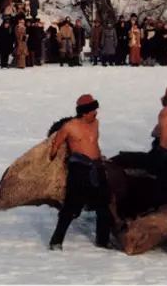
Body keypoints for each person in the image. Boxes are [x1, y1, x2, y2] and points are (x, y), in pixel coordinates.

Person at [48, 95, 113, 251]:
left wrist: (100, 158)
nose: (96, 113)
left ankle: (102, 241)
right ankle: (56, 241)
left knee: (104, 206)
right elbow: (54, 148)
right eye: (92, 111)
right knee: (71, 207)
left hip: (97, 168)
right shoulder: (69, 127)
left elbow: (94, 143)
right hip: (79, 170)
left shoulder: (96, 123)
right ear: (84, 112)